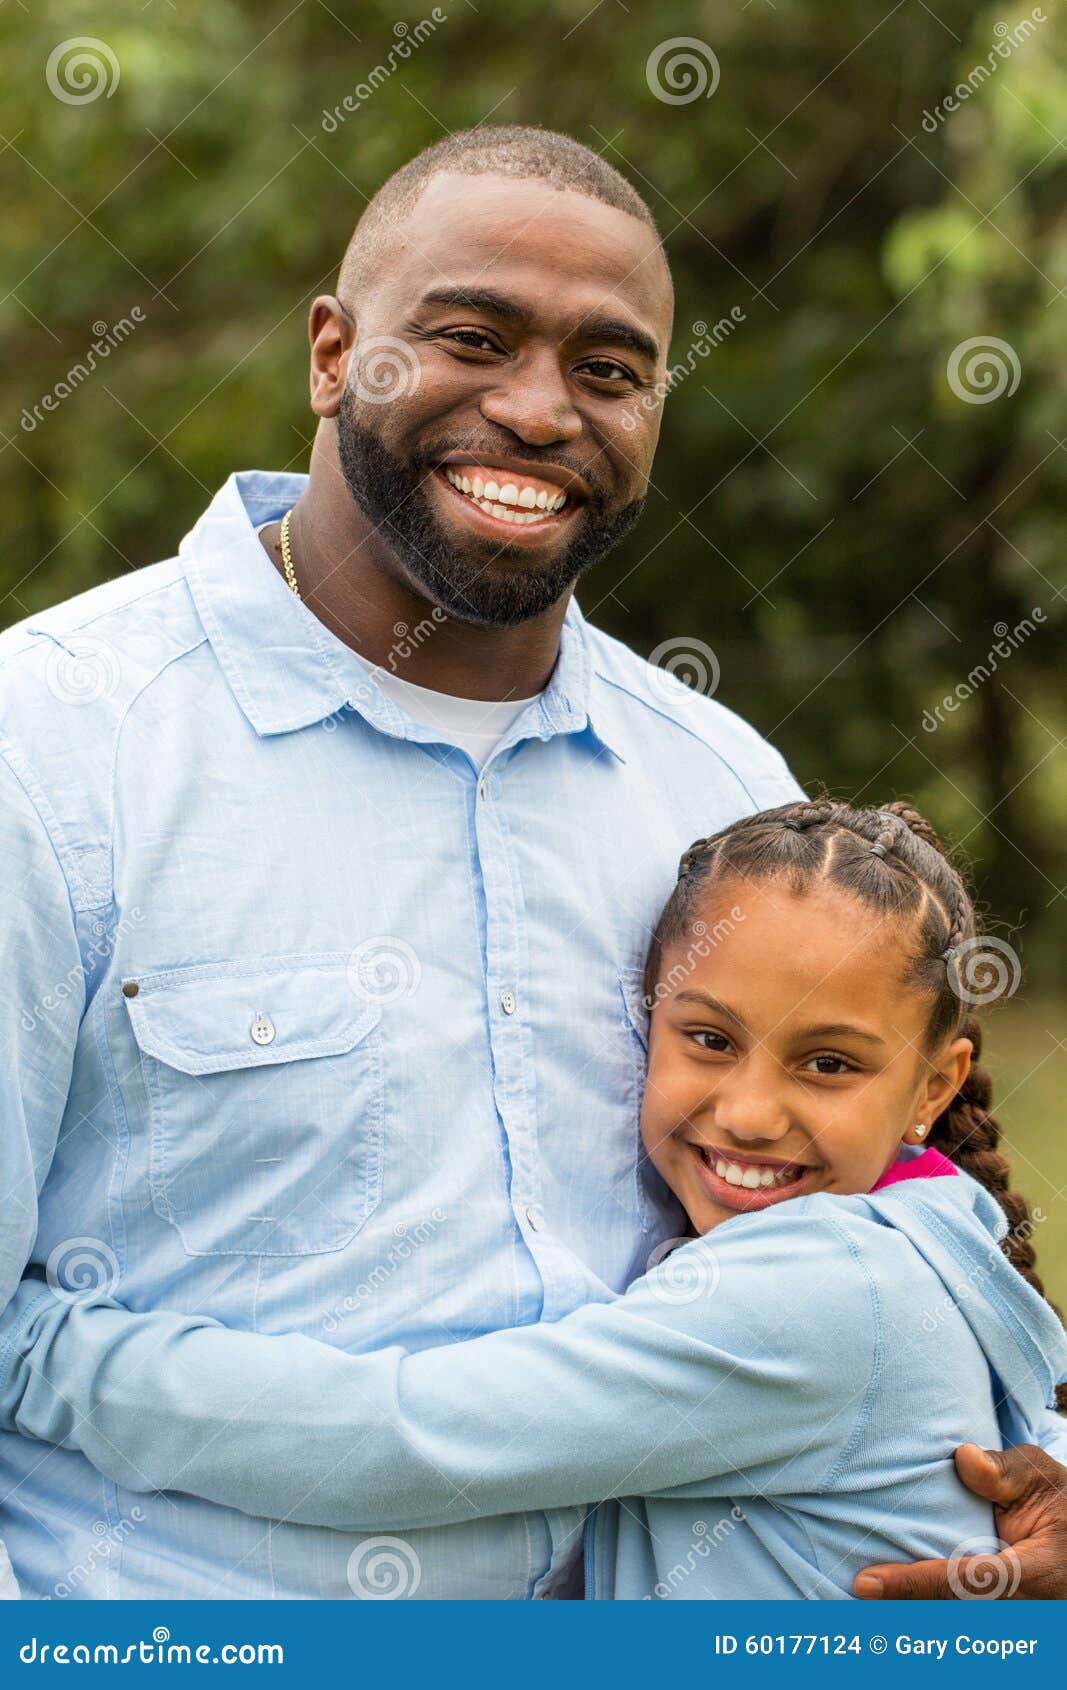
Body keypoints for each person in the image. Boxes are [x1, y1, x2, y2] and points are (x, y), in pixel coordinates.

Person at [1, 126, 1065, 1601]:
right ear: (332, 353)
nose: (536, 408)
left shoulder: (717, 789)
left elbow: (877, 1229)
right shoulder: (48, 747)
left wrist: (1030, 1458)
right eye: (470, 337)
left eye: (608, 370)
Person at [6, 800, 1065, 1599]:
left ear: (932, 1084)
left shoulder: (820, 1292)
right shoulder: (921, 1234)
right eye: (706, 1039)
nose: (746, 1111)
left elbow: (402, 1438)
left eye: (826, 1063)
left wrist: (40, 1351)